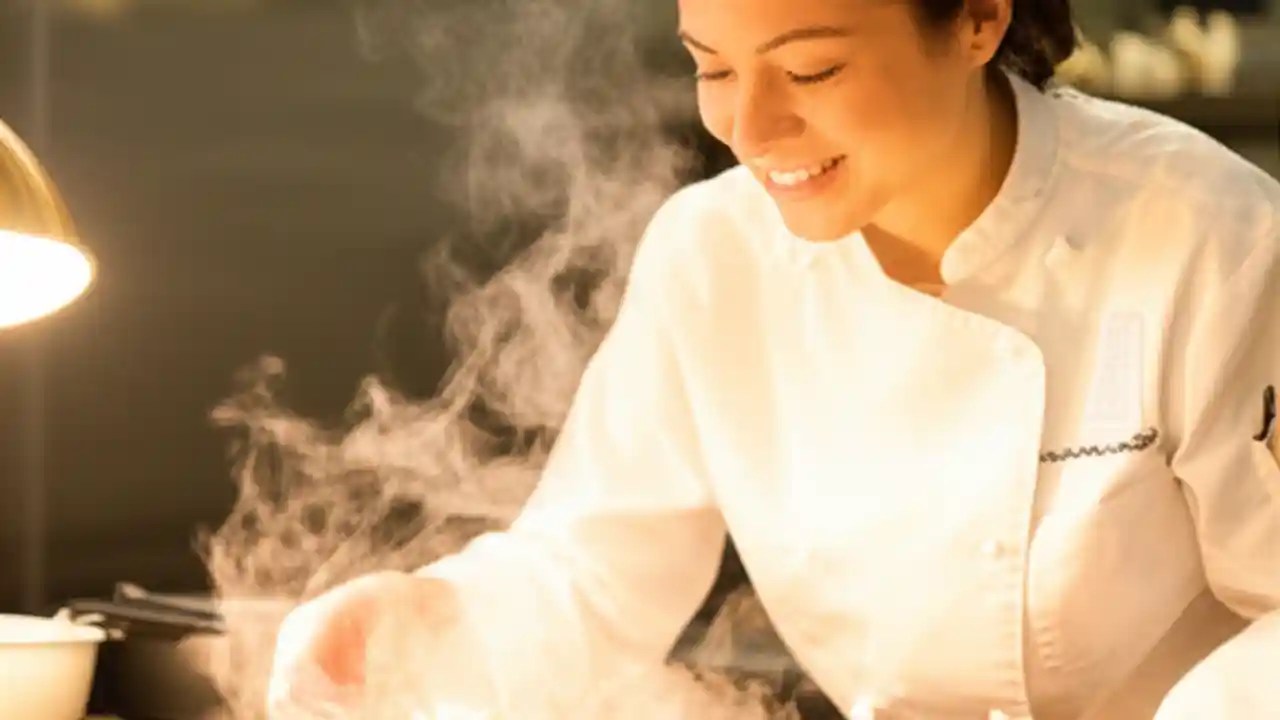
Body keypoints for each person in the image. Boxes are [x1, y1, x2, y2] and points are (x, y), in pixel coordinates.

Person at [267, 0, 1280, 717]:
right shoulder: (712, 252)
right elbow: (591, 576)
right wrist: (427, 631)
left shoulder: (1207, 234)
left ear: (977, 19)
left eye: (810, 71)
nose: (749, 129)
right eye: (711, 68)